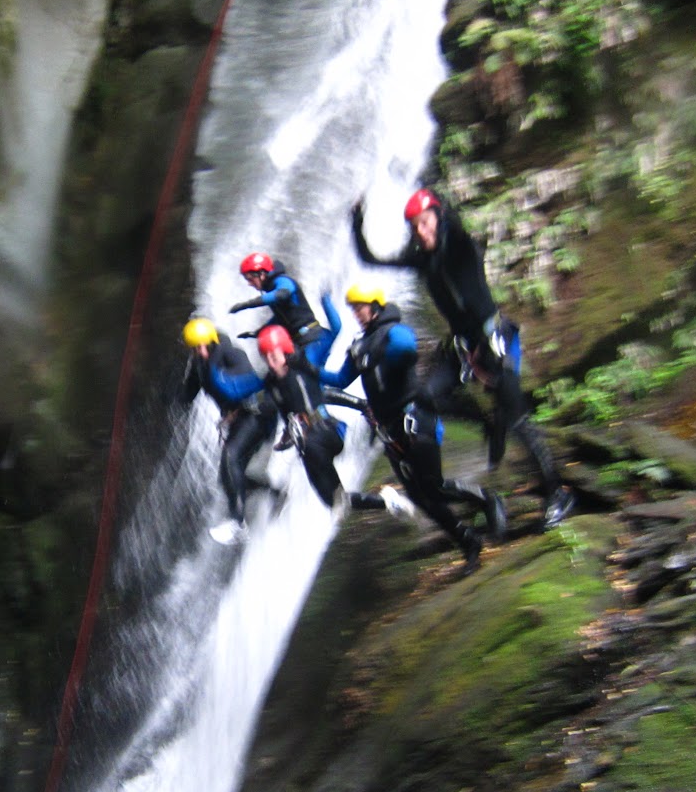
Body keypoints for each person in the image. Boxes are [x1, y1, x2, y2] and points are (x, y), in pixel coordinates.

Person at [351, 189, 575, 529]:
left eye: (425, 223)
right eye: (415, 228)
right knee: (428, 398)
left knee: (518, 422)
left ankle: (558, 492)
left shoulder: (461, 248)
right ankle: (486, 423)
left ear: (439, 218)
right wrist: (356, 219)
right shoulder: (422, 260)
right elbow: (370, 259)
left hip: (495, 342)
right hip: (463, 349)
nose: (421, 232)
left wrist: (432, 194)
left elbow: (451, 224)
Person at [322, 287, 505, 569]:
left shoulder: (393, 331)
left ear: (375, 306)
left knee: (435, 487)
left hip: (417, 421)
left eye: (359, 307)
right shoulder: (361, 345)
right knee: (421, 497)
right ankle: (468, 541)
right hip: (391, 433)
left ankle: (488, 500)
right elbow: (339, 379)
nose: (356, 314)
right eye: (353, 309)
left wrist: (375, 354)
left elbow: (407, 349)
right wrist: (304, 367)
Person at [208, 321, 350, 510]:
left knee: (330, 485)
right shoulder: (270, 381)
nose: (270, 362)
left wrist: (324, 301)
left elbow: (335, 333)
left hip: (327, 432)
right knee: (332, 501)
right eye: (266, 357)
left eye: (274, 355)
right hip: (307, 442)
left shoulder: (305, 361)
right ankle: (385, 502)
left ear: (285, 350)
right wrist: (208, 365)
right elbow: (233, 390)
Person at [178, 316, 278, 542]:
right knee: (228, 475)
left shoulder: (231, 354)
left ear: (212, 341)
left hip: (257, 416)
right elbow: (187, 394)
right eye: (195, 349)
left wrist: (235, 410)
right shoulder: (199, 365)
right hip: (239, 421)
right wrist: (167, 396)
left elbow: (248, 386)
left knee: (231, 458)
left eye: (203, 347)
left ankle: (238, 523)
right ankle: (275, 493)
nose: (201, 352)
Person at [228, 252, 341, 368]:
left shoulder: (283, 281)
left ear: (261, 273)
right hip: (302, 341)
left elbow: (281, 294)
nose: (249, 284)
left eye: (251, 279)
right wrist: (258, 332)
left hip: (314, 338)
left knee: (307, 374)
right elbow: (281, 318)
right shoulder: (271, 289)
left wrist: (246, 304)